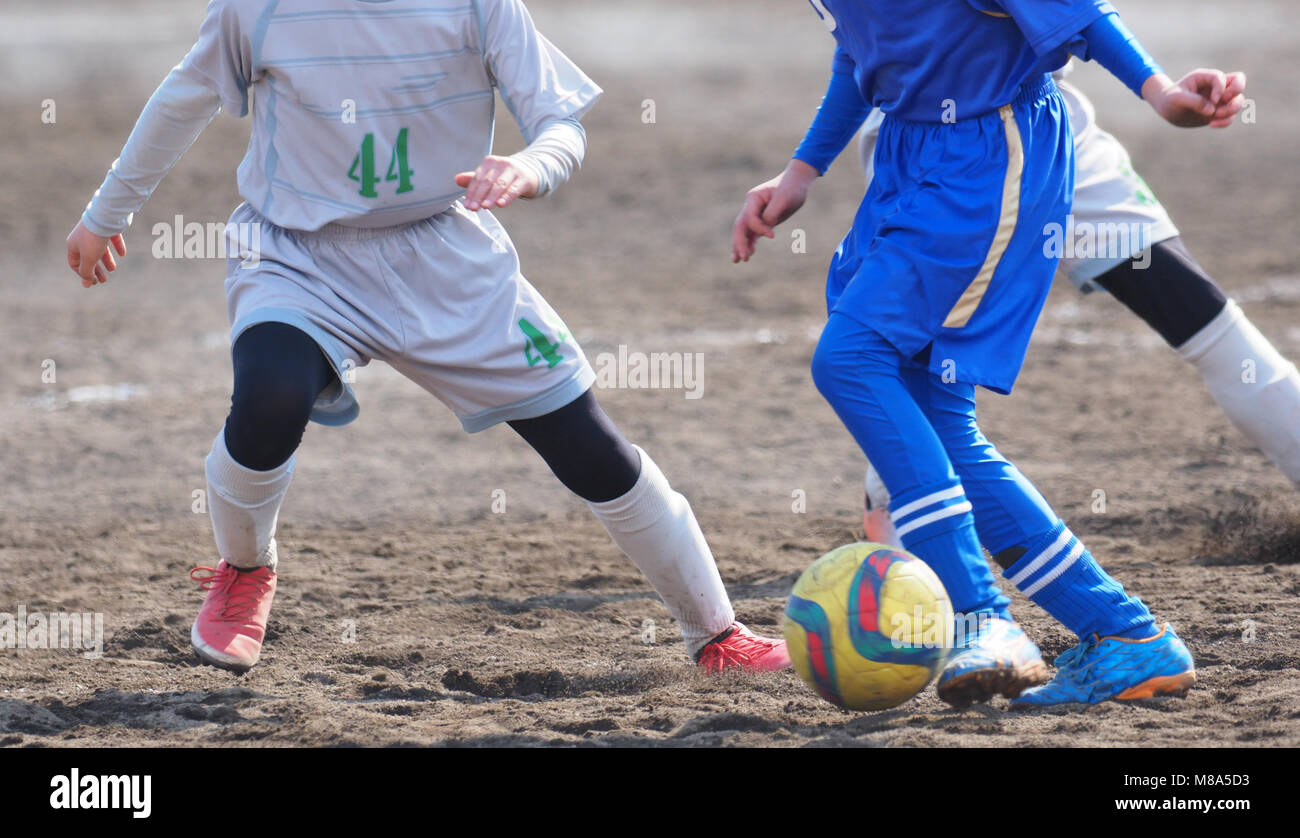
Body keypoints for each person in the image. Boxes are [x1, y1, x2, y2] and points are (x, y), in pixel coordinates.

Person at [65, 0, 790, 676]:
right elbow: (180, 98)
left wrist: (529, 168)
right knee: (270, 397)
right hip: (299, 252)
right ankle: (245, 572)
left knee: (588, 448)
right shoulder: (260, 8)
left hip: (448, 254)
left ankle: (716, 634)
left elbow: (561, 127)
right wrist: (107, 214)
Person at [732, 0, 1244, 707]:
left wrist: (1161, 93)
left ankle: (984, 619)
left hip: (989, 160)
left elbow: (1079, 13)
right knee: (937, 423)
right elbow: (863, 47)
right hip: (910, 161)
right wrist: (802, 169)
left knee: (849, 359)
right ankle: (1126, 636)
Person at [854, 62, 1299, 548]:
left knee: (1204, 318)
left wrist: (1163, 89)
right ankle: (901, 534)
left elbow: (1071, 14)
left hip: (1048, 123)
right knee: (923, 364)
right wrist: (1161, 90)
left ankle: (899, 524)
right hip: (937, 151)